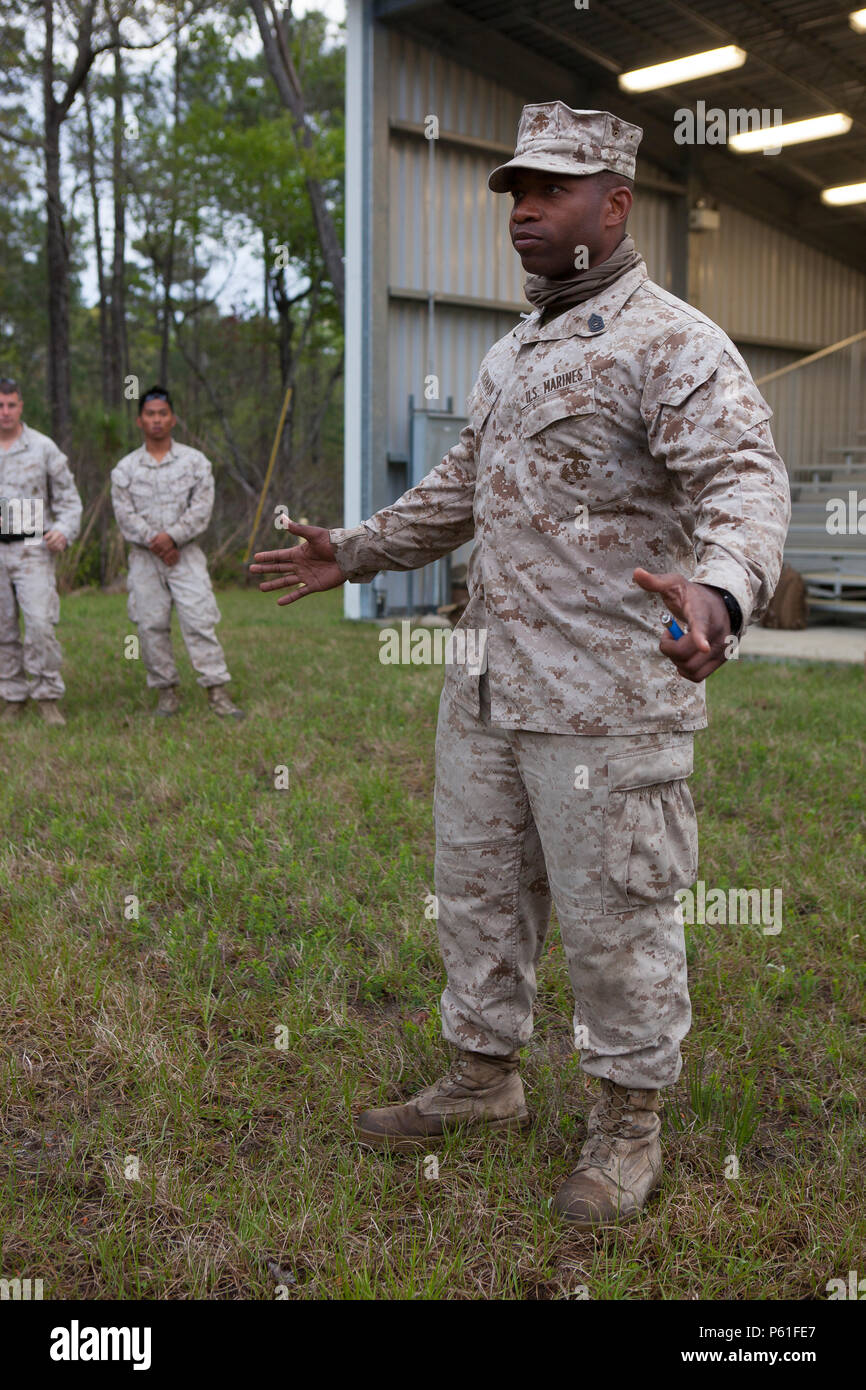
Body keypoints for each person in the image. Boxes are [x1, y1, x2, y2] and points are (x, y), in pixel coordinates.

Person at [251, 104, 791, 1229]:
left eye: (550, 189)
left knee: (615, 915)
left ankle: (626, 1123)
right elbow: (457, 492)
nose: (524, 211)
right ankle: (482, 1075)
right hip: (489, 689)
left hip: (607, 706)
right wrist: (350, 550)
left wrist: (721, 589)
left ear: (614, 203)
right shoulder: (513, 352)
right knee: (477, 893)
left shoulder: (670, 342)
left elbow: (744, 480)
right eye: (513, 191)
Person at [111, 387, 244, 719]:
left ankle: (217, 692)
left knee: (199, 620)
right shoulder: (125, 469)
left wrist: (172, 538)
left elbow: (201, 510)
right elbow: (124, 516)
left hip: (186, 555)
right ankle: (166, 693)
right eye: (150, 414)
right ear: (140, 420)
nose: (156, 420)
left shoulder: (195, 462)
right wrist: (156, 542)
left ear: (173, 418)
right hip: (144, 559)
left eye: (162, 414)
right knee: (150, 625)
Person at [0, 377, 82, 727]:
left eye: (11, 405)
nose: (5, 412)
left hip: (32, 545)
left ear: (21, 406)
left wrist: (63, 530)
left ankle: (47, 695)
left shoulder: (42, 447)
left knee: (39, 623)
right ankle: (12, 696)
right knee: (3, 629)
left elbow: (69, 499)